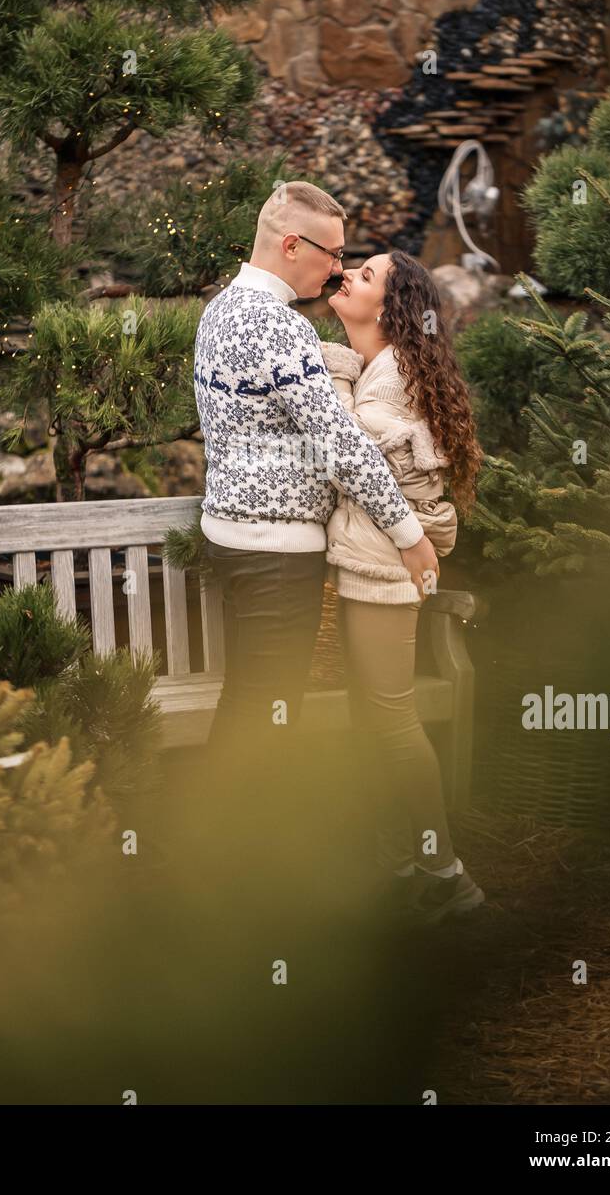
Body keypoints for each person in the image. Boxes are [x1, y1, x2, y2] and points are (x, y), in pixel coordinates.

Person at [193, 183, 440, 780]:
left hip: (233, 540)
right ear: (291, 244)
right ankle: (235, 855)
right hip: (276, 555)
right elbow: (340, 443)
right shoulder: (280, 327)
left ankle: (217, 849)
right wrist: (410, 534)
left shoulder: (221, 310)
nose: (337, 270)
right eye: (332, 253)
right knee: (268, 718)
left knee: (249, 704)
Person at [322, 248, 486, 925]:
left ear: (390, 311)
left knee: (391, 718)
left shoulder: (386, 381)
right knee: (375, 719)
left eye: (365, 276)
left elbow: (352, 460)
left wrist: (329, 379)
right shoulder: (383, 368)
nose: (348, 276)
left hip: (383, 570)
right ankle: (402, 862)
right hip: (373, 565)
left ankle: (446, 873)